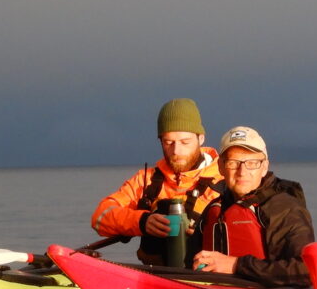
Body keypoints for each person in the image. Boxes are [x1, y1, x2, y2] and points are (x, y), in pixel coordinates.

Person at [92, 98, 221, 265]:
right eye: (168, 142)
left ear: (201, 138)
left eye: (185, 142)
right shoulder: (147, 181)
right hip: (158, 276)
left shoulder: (225, 177)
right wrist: (142, 221)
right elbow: (100, 217)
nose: (176, 151)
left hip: (211, 278)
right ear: (160, 141)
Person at [191, 126, 315, 288]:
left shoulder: (285, 208)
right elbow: (189, 261)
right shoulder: (214, 208)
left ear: (264, 167)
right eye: (233, 163)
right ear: (221, 166)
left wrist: (237, 265)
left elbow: (305, 270)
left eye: (252, 163)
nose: (242, 171)